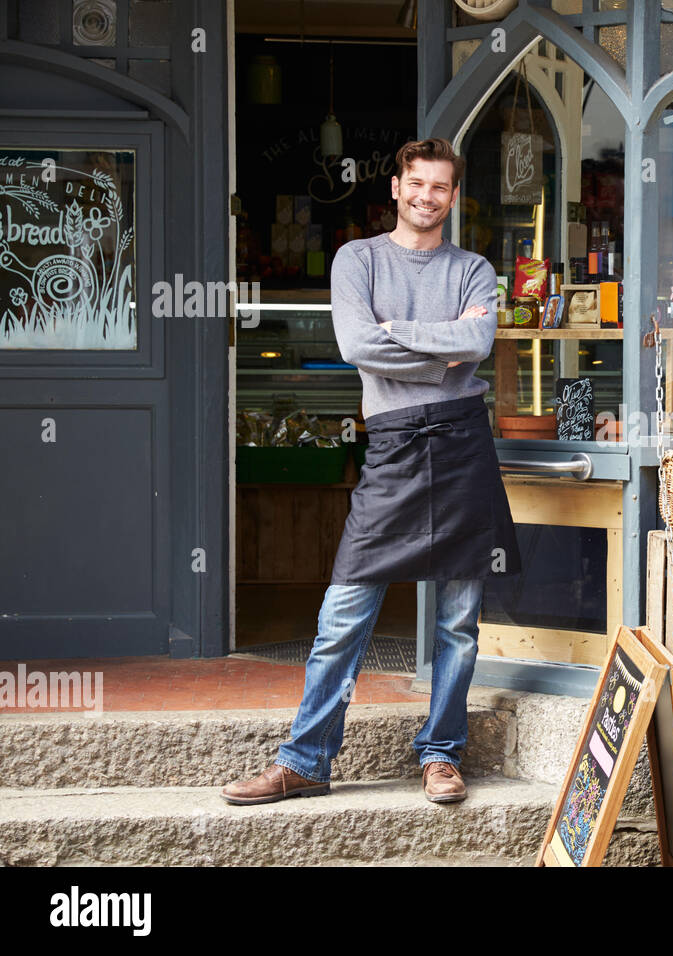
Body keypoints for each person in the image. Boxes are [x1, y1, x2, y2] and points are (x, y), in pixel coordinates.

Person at [221, 138, 520, 807]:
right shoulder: (357, 258)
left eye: (440, 187)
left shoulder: (473, 268)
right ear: (395, 186)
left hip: (462, 443)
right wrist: (435, 347)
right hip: (391, 446)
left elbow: (475, 345)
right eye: (416, 183)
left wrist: (400, 336)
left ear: (453, 196)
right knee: (343, 616)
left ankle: (441, 756)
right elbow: (358, 345)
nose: (426, 196)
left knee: (457, 624)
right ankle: (305, 760)